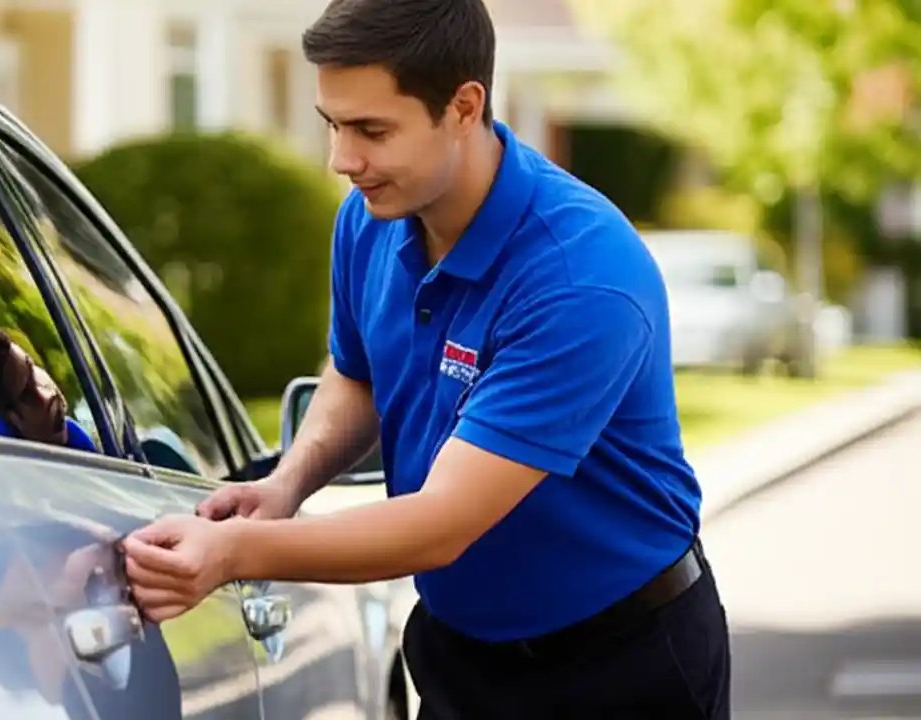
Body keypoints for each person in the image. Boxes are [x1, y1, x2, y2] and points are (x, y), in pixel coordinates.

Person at [120, 0, 731, 717]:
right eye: (334, 125)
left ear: (464, 106)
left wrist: (235, 553)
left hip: (620, 667)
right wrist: (285, 487)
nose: (342, 160)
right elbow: (357, 373)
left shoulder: (580, 274)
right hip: (459, 656)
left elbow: (442, 523)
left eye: (372, 130)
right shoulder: (370, 217)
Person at [0, 326, 98, 453]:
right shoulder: (9, 465)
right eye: (27, 395)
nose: (48, 396)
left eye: (32, 369)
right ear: (13, 419)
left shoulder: (80, 440)